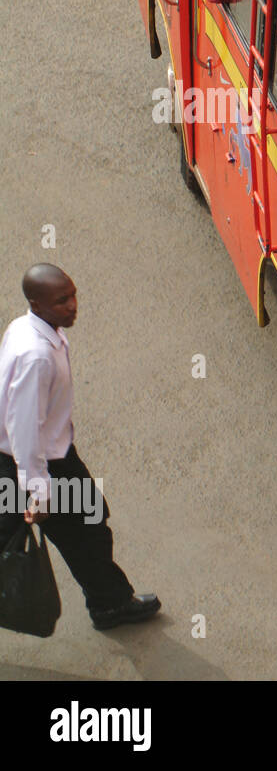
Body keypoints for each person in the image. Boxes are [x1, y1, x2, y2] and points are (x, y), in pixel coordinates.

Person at [0, 265, 161, 630]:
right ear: (36, 304)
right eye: (61, 301)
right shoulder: (37, 355)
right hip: (37, 464)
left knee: (88, 526)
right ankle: (110, 606)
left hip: (37, 459)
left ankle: (109, 602)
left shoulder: (25, 327)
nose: (73, 305)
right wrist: (39, 492)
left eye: (72, 294)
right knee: (87, 530)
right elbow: (24, 428)